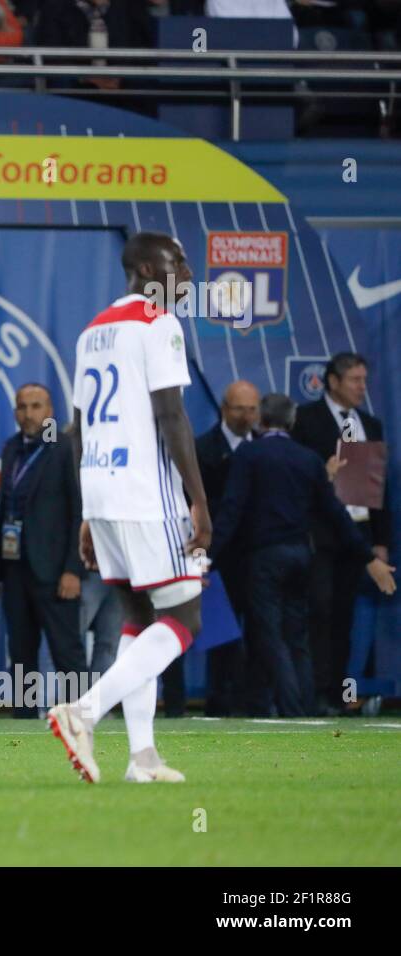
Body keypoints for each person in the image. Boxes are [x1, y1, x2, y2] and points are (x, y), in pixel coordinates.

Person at [48, 232, 209, 785]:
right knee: (184, 618)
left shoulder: (92, 331)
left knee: (139, 620)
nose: (187, 272)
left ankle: (143, 758)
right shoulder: (159, 322)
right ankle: (84, 711)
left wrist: (87, 512)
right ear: (144, 267)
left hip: (102, 487)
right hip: (146, 492)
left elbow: (77, 429)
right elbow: (171, 416)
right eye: (176, 261)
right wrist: (199, 499)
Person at [209, 393, 395, 716]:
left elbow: (231, 511)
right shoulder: (308, 459)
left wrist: (206, 556)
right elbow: (337, 513)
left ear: (260, 420)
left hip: (265, 557)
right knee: (297, 635)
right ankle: (306, 705)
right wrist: (369, 557)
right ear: (292, 421)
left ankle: (293, 707)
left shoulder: (249, 454)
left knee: (270, 635)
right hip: (301, 555)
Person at [291, 352, 391, 715]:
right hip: (321, 534)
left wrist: (380, 541)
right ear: (333, 381)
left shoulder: (371, 425)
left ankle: (339, 693)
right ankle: (315, 692)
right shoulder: (306, 420)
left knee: (345, 616)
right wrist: (323, 471)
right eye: (355, 380)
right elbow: (296, 476)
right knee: (320, 611)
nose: (362, 387)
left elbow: (381, 489)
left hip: (359, 534)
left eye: (364, 380)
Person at [0, 384, 86, 717]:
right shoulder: (11, 448)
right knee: (20, 655)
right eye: (22, 407)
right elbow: (4, 512)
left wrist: (73, 569)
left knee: (67, 654)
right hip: (15, 569)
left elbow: (80, 511)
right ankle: (23, 724)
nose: (28, 414)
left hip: (56, 572)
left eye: (36, 406)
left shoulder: (65, 448)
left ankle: (80, 719)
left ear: (50, 411)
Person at [188, 379, 260, 715]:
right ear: (224, 409)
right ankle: (219, 703)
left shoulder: (264, 448)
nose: (246, 416)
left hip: (258, 556)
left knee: (260, 633)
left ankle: (257, 703)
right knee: (220, 635)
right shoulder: (202, 449)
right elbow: (191, 505)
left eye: (252, 409)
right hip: (217, 556)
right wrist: (202, 556)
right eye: (239, 409)